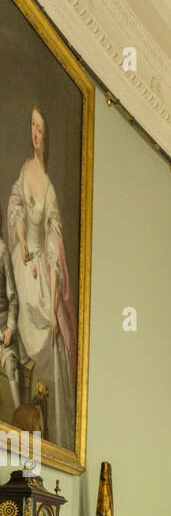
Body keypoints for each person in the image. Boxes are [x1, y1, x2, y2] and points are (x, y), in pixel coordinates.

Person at [8, 106, 77, 449]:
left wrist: (53, 311)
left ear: (46, 137)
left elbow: (53, 254)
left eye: (40, 130)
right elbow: (17, 211)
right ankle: (24, 419)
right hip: (24, 262)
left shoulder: (48, 187)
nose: (35, 135)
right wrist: (22, 245)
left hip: (41, 272)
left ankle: (45, 427)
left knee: (50, 338)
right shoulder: (25, 171)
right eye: (32, 128)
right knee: (23, 332)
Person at [0, 202, 21, 409]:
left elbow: (13, 297)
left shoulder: (3, 252)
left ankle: (18, 428)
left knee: (12, 370)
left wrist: (10, 328)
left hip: (3, 331)